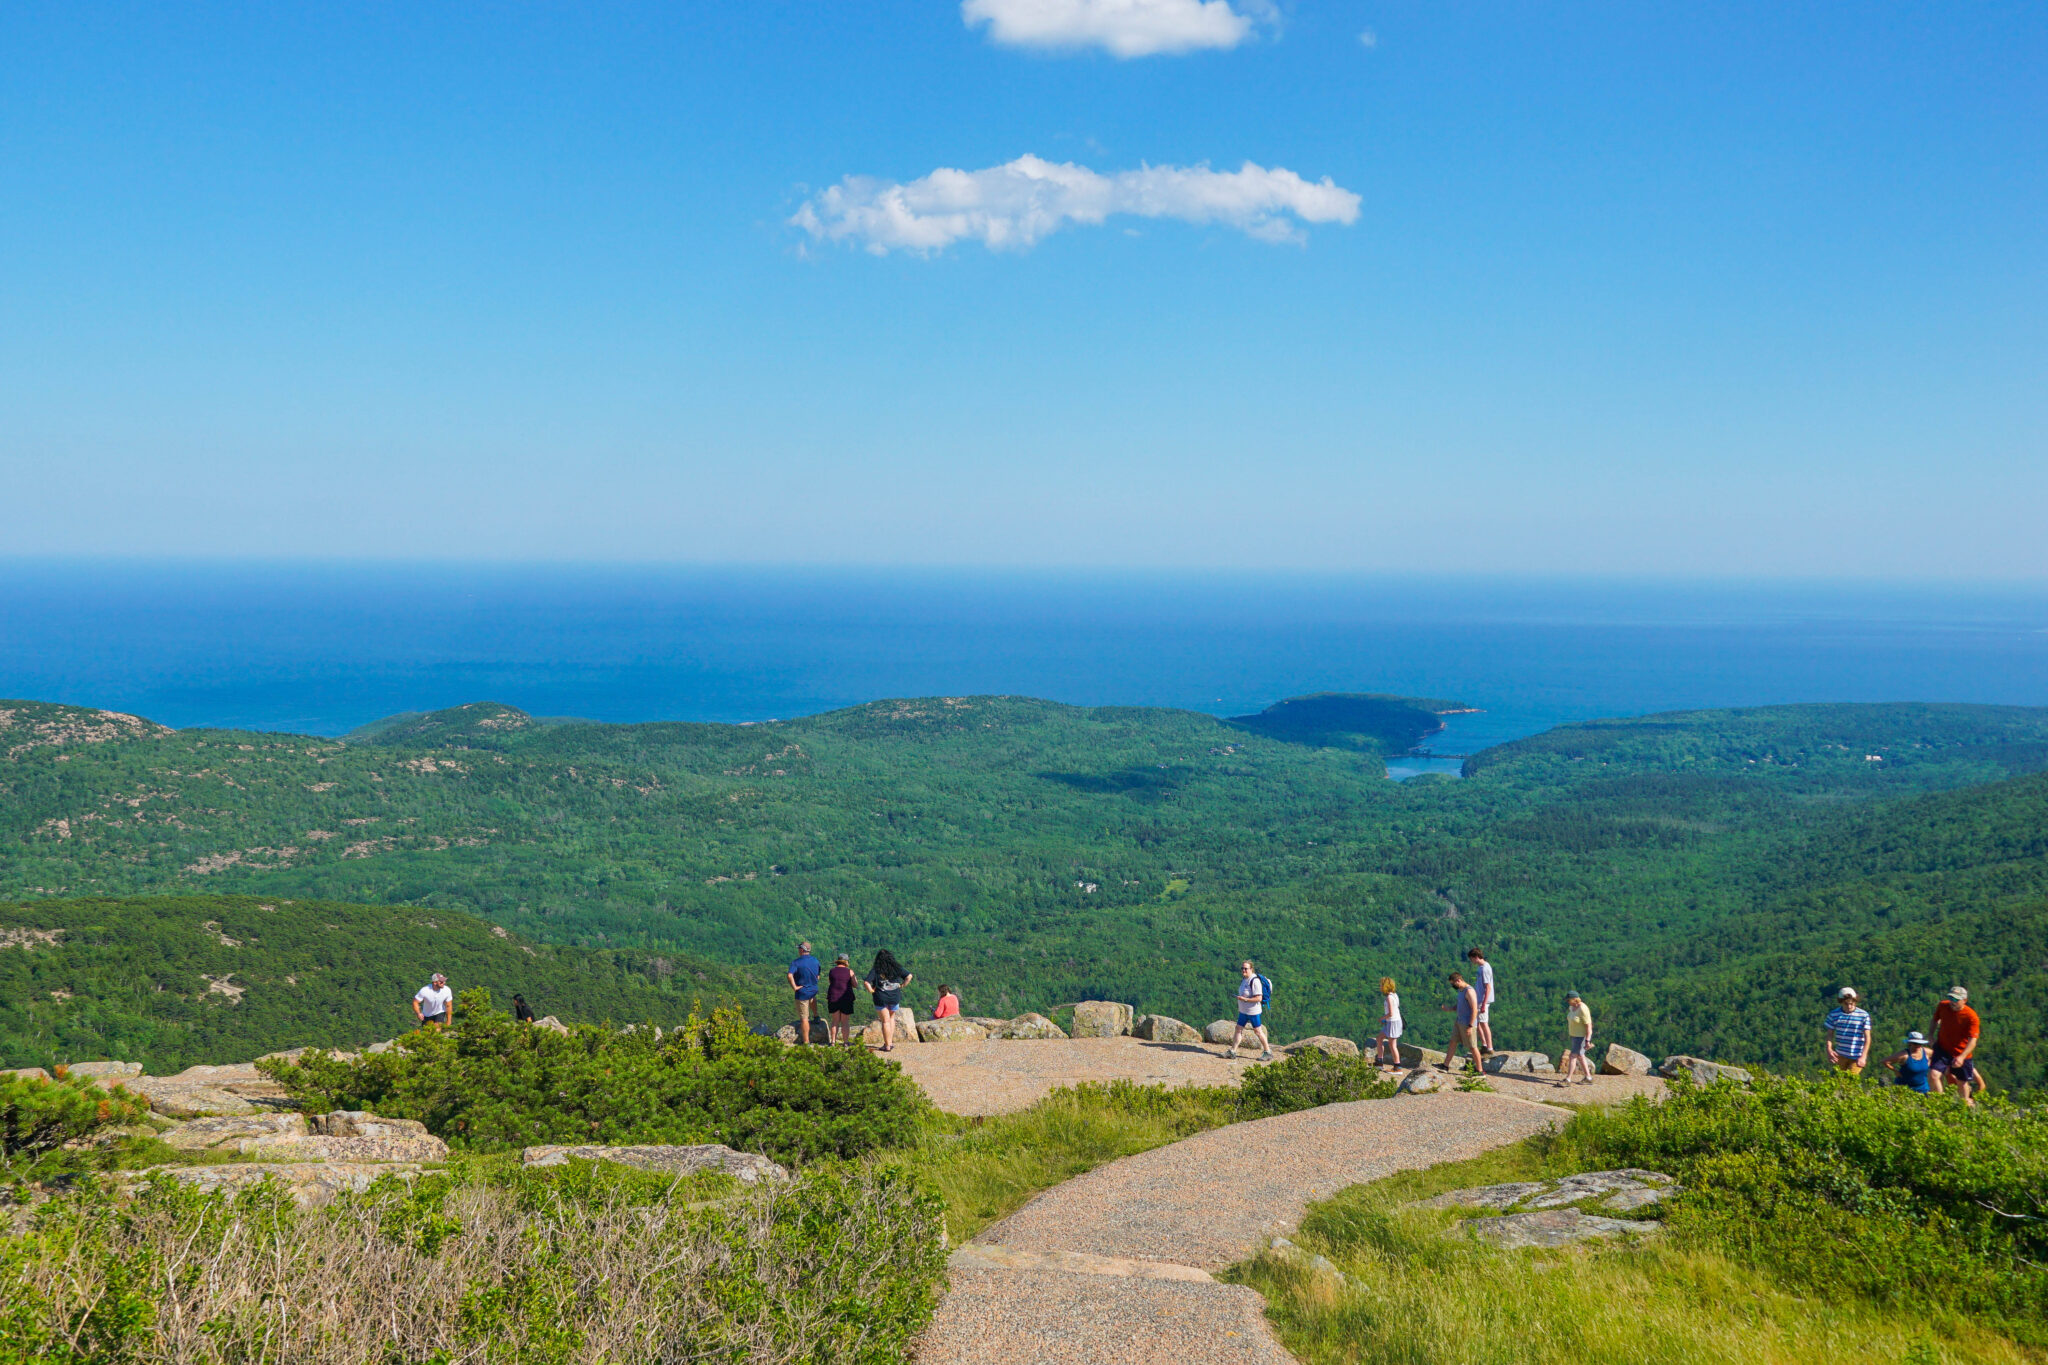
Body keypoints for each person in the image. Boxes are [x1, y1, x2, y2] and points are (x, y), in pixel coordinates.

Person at [1929, 985, 1984, 1107]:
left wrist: (1962, 1057)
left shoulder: (1971, 1017)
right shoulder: (1943, 1006)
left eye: (1956, 1000)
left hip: (1961, 1052)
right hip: (1942, 1048)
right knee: (1933, 1075)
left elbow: (1972, 1041)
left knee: (1962, 1082)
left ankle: (1963, 1105)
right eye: (1951, 998)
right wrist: (1930, 1035)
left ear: (1964, 1000)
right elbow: (1934, 1019)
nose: (1952, 1002)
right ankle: (1939, 1104)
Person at [864, 950, 913, 1052]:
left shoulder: (876, 969)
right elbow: (909, 976)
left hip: (881, 997)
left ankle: (887, 1046)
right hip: (894, 996)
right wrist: (902, 985)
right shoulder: (896, 968)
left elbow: (866, 982)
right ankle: (890, 1043)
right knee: (891, 1018)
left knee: (885, 1021)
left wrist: (872, 991)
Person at [1438, 972, 1485, 1073]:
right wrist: (1449, 1009)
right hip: (1459, 1021)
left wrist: (1470, 1026)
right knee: (1453, 1042)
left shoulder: (1469, 991)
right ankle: (1445, 1065)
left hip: (1467, 1023)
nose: (1453, 986)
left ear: (1458, 980)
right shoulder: (1461, 990)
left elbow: (1474, 1010)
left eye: (1453, 984)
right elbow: (1460, 1005)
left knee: (1472, 1046)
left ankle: (1480, 1070)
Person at [1228, 961, 1272, 1061]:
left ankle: (1267, 1051)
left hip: (1253, 1012)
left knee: (1258, 1031)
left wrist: (1245, 999)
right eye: (1242, 968)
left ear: (1251, 969)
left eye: (1246, 968)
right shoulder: (1244, 979)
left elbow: (1259, 998)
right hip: (1243, 1011)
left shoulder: (1254, 981)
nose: (1243, 970)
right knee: (1238, 1029)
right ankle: (1233, 1051)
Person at [1824, 986, 1872, 1075]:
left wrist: (1863, 1057)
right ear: (1841, 1002)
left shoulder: (1864, 1015)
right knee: (1836, 1081)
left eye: (1852, 1003)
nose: (1849, 1006)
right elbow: (1829, 1035)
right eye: (1846, 1003)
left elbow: (1867, 1038)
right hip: (1840, 1055)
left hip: (1856, 1056)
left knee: (1850, 1081)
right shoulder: (1833, 1014)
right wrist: (1829, 1050)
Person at [787, 941, 822, 1047]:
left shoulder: (796, 962)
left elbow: (789, 975)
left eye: (799, 949)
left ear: (802, 950)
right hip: (813, 988)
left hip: (802, 992)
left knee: (804, 1018)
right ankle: (816, 1016)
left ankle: (806, 1042)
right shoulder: (815, 960)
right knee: (812, 998)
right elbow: (818, 976)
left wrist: (795, 987)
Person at [1558, 990, 1595, 1087]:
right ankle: (1588, 1078)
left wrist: (1587, 1040)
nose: (1567, 1002)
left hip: (1581, 1037)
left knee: (1572, 1056)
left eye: (1568, 1000)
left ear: (1575, 999)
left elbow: (1589, 1026)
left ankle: (1568, 1079)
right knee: (1580, 1056)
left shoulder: (1583, 1008)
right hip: (1574, 1036)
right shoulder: (1572, 1007)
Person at [1466, 947, 1497, 1057]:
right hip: (1478, 999)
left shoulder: (1485, 969)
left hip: (1483, 1000)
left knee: (1484, 1024)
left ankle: (1490, 1048)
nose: (1471, 962)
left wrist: (1484, 1004)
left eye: (1472, 959)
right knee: (1477, 1023)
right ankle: (1484, 1045)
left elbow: (1488, 987)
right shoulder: (1481, 968)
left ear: (1476, 957)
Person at [825, 954, 858, 1046]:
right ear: (846, 962)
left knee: (835, 1020)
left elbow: (830, 982)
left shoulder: (832, 971)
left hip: (833, 997)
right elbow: (855, 984)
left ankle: (833, 1042)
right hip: (846, 998)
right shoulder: (850, 972)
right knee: (845, 1021)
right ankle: (846, 1042)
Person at [1374, 977, 1403, 1069]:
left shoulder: (1389, 998)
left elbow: (1391, 1013)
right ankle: (1379, 1061)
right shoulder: (1394, 995)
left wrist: (1382, 1018)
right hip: (1392, 1021)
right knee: (1379, 1038)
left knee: (1392, 1044)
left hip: (1393, 1022)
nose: (1380, 987)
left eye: (1381, 985)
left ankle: (1397, 1066)